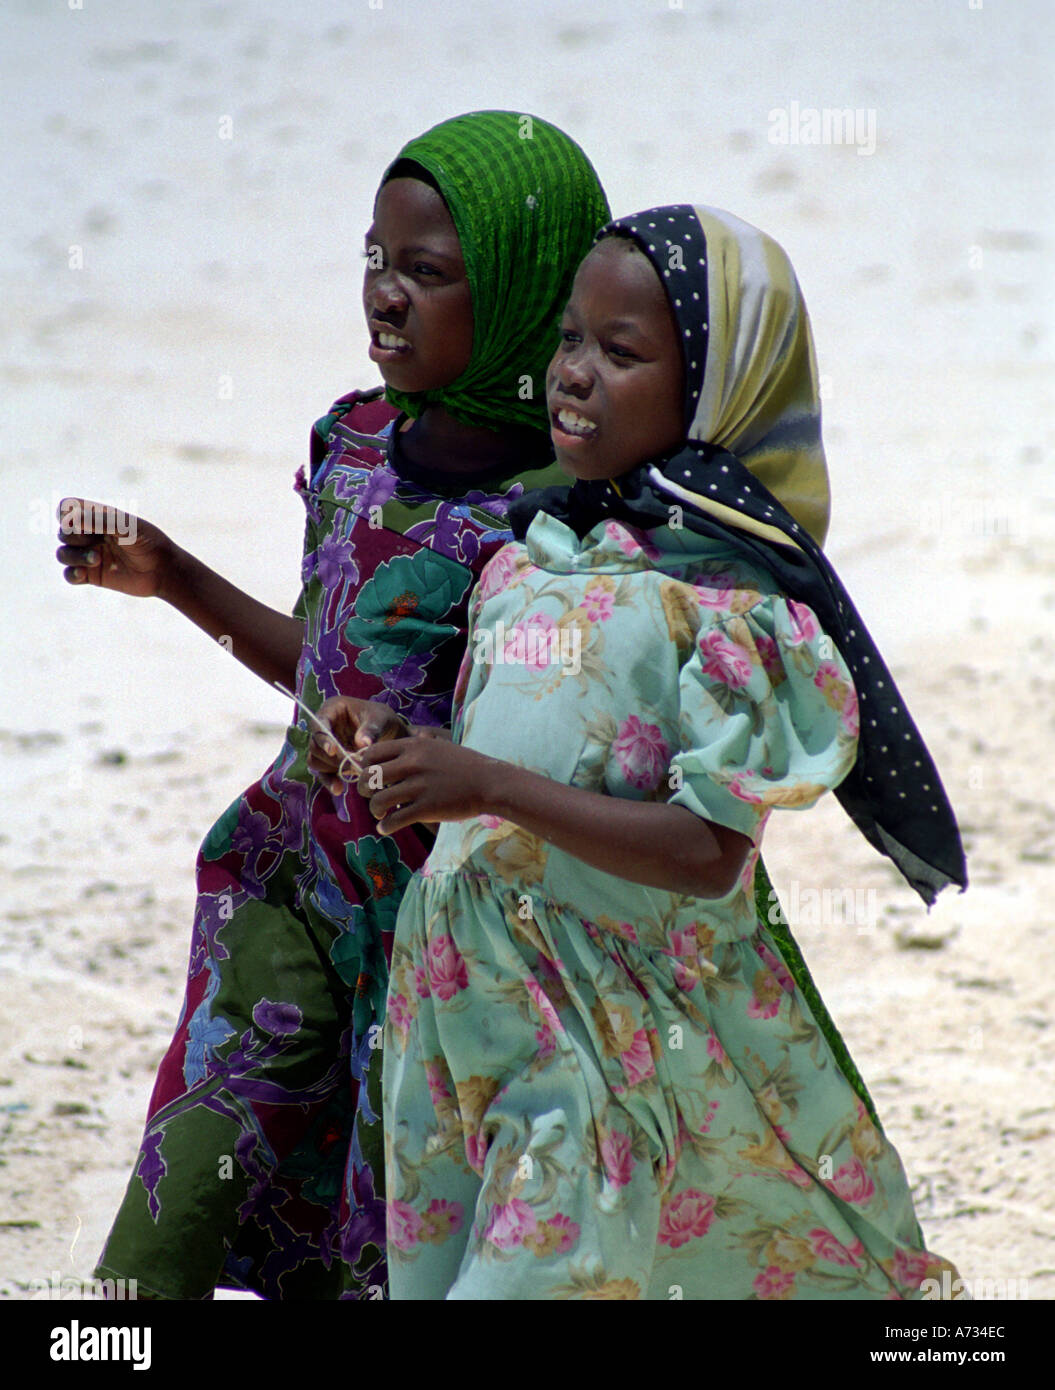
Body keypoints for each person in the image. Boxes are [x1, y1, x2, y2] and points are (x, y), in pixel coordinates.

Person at [330, 204, 967, 1299]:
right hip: (462, 1002)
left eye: (618, 352)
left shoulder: (724, 606)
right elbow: (509, 760)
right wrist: (416, 755)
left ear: (716, 392)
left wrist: (488, 784)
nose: (573, 373)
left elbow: (708, 850)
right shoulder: (525, 559)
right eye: (569, 339)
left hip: (603, 1025)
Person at [55, 110, 610, 1300]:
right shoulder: (351, 445)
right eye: (374, 259)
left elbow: (574, 745)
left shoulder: (563, 520)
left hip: (446, 935)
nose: (384, 296)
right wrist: (175, 579)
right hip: (294, 875)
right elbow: (330, 673)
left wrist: (435, 755)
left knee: (394, 1230)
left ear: (521, 291)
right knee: (183, 1181)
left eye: (426, 271)